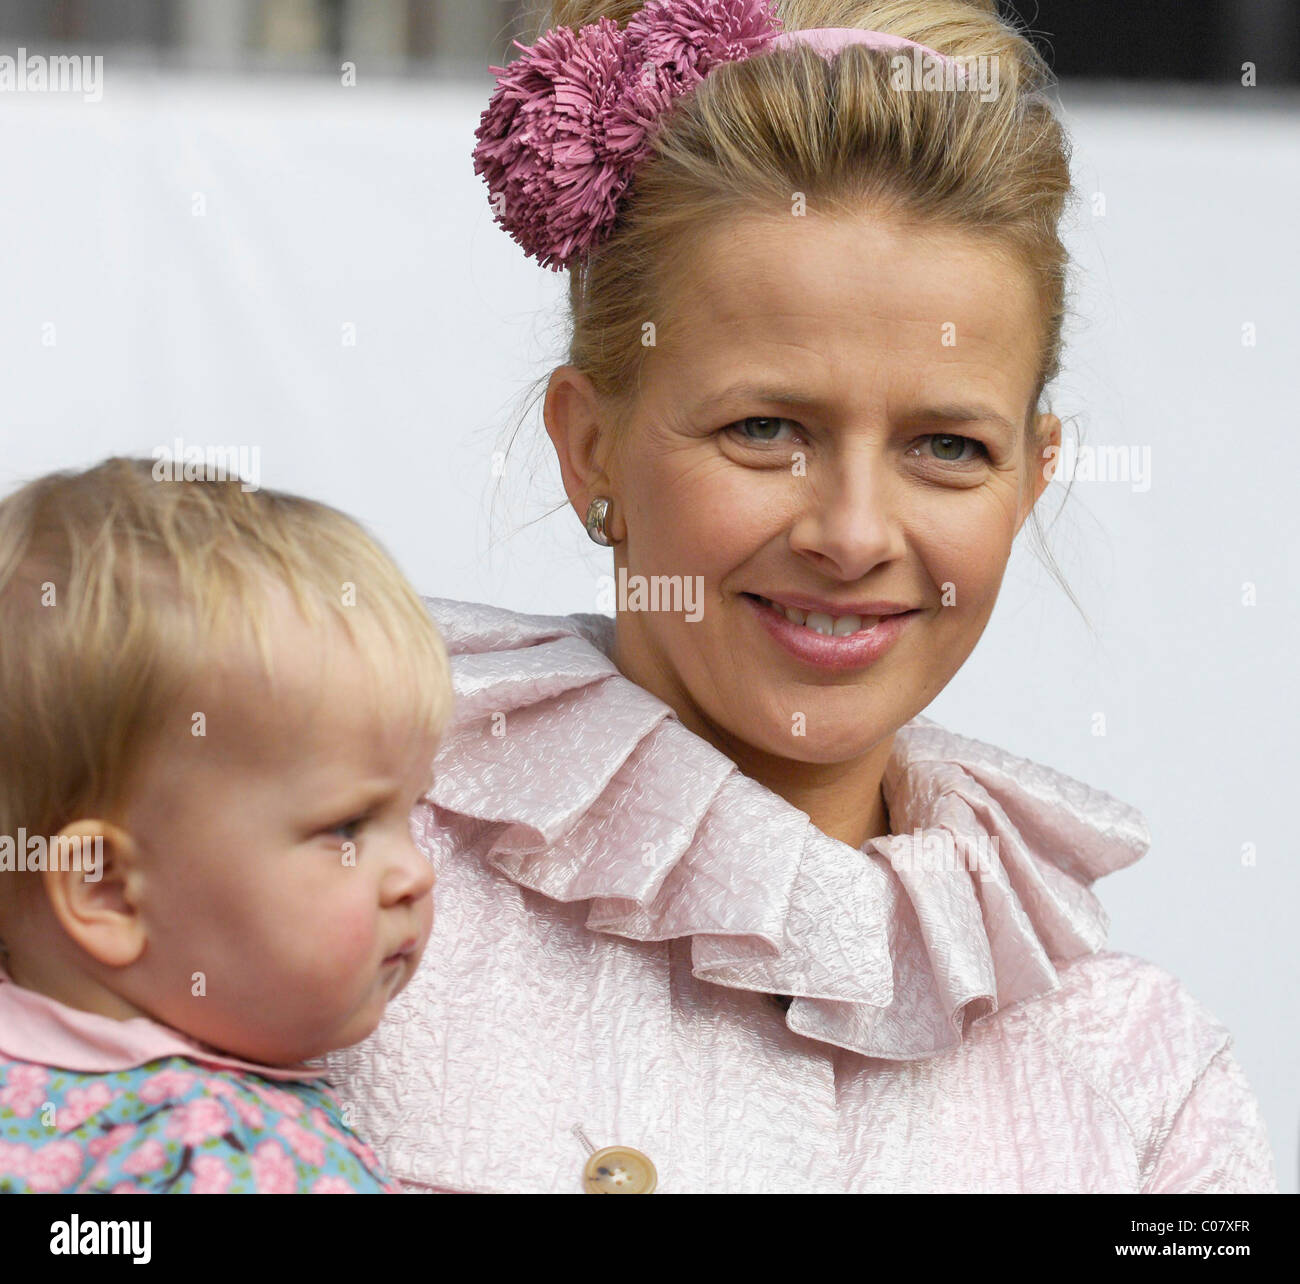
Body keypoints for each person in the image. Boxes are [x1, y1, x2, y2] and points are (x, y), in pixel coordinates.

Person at [323, 0, 1278, 1192]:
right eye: (764, 429)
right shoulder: (321, 892)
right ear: (590, 449)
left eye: (946, 448)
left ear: (1033, 480)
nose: (852, 534)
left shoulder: (1135, 1070)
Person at [0, 457, 450, 1193]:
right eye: (346, 829)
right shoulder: (227, 1154)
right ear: (108, 890)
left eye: (411, 812)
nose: (418, 874)